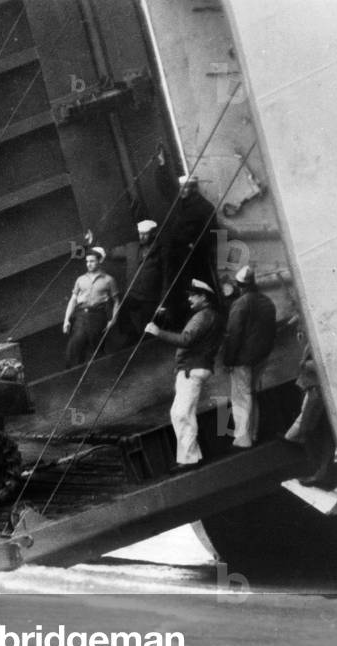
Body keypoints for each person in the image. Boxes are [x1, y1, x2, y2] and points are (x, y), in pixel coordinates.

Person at [145, 278, 225, 472]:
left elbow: (186, 339)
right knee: (183, 413)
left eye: (193, 296)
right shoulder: (209, 315)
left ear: (203, 297)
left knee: (181, 414)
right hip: (194, 368)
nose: (190, 299)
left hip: (191, 369)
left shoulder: (202, 316)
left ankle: (190, 459)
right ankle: (191, 456)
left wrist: (157, 332)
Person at [222, 266, 277, 448]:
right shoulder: (267, 302)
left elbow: (233, 334)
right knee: (252, 393)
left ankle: (242, 438)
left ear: (239, 285)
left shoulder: (240, 304)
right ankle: (253, 434)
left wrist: (228, 360)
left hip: (242, 359)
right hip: (261, 357)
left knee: (241, 396)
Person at [162, 176, 220, 328]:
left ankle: (207, 324)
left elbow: (214, 233)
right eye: (181, 187)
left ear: (194, 188)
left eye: (186, 187)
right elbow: (165, 189)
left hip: (195, 259)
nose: (182, 191)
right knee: (181, 292)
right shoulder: (180, 205)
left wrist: (195, 245)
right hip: (178, 258)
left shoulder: (205, 207)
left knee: (198, 291)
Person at [284, 343, 337, 489]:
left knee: (309, 431)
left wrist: (305, 364)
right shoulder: (314, 338)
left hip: (317, 391)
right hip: (317, 390)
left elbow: (324, 363)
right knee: (324, 433)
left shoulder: (318, 339)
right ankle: (324, 475)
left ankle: (322, 475)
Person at [62, 247, 120, 366]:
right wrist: (66, 320)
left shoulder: (109, 280)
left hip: (98, 317)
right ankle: (72, 375)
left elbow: (116, 301)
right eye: (87, 261)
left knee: (97, 350)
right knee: (74, 347)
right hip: (81, 317)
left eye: (92, 261)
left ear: (100, 261)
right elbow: (73, 300)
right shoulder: (80, 279)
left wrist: (113, 319)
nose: (89, 264)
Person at [119, 220, 166, 343]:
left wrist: (163, 301)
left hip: (151, 298)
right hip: (133, 295)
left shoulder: (161, 251)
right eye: (140, 233)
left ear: (152, 234)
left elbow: (167, 277)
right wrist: (92, 243)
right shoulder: (131, 247)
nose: (142, 237)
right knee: (120, 308)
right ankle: (132, 334)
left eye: (145, 234)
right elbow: (110, 253)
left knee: (148, 331)